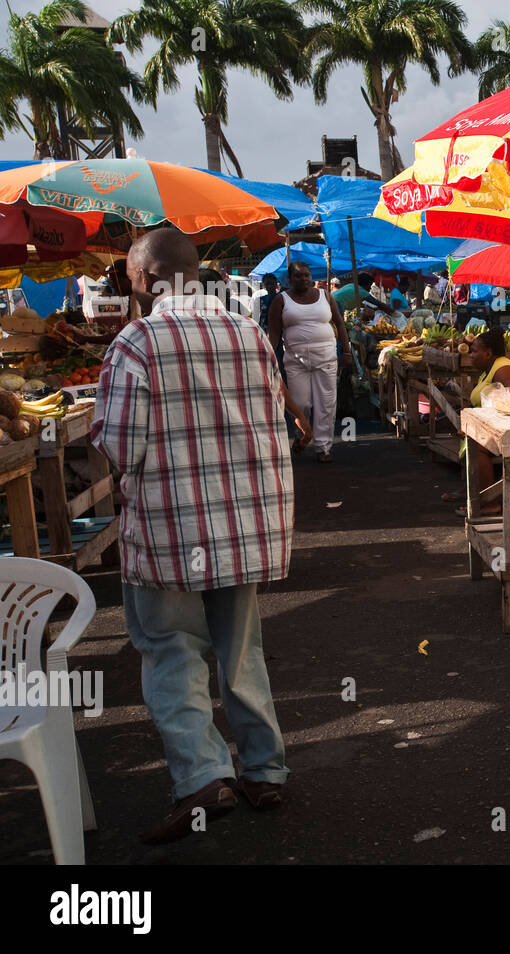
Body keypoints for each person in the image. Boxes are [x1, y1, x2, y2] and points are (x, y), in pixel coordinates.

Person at [90, 228, 300, 844]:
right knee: (241, 650)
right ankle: (265, 772)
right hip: (242, 523)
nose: (128, 290)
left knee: (171, 651)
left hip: (170, 527)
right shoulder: (249, 332)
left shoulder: (137, 341)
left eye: (130, 279)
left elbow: (120, 443)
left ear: (150, 279)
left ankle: (204, 780)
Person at [269, 260, 352, 462]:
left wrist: (347, 351)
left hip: (326, 359)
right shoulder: (281, 300)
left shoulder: (325, 296)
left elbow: (340, 324)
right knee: (300, 403)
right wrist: (268, 358)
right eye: (298, 276)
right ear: (290, 279)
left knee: (326, 404)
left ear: (311, 277)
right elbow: (273, 334)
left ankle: (323, 448)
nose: (303, 279)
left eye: (306, 275)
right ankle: (303, 435)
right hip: (296, 362)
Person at [448, 328, 510, 512]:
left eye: (475, 351)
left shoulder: (503, 368)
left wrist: (476, 428)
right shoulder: (488, 370)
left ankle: (489, 502)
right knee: (469, 438)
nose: (471, 355)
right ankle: (474, 490)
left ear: (488, 353)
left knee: (477, 446)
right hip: (498, 426)